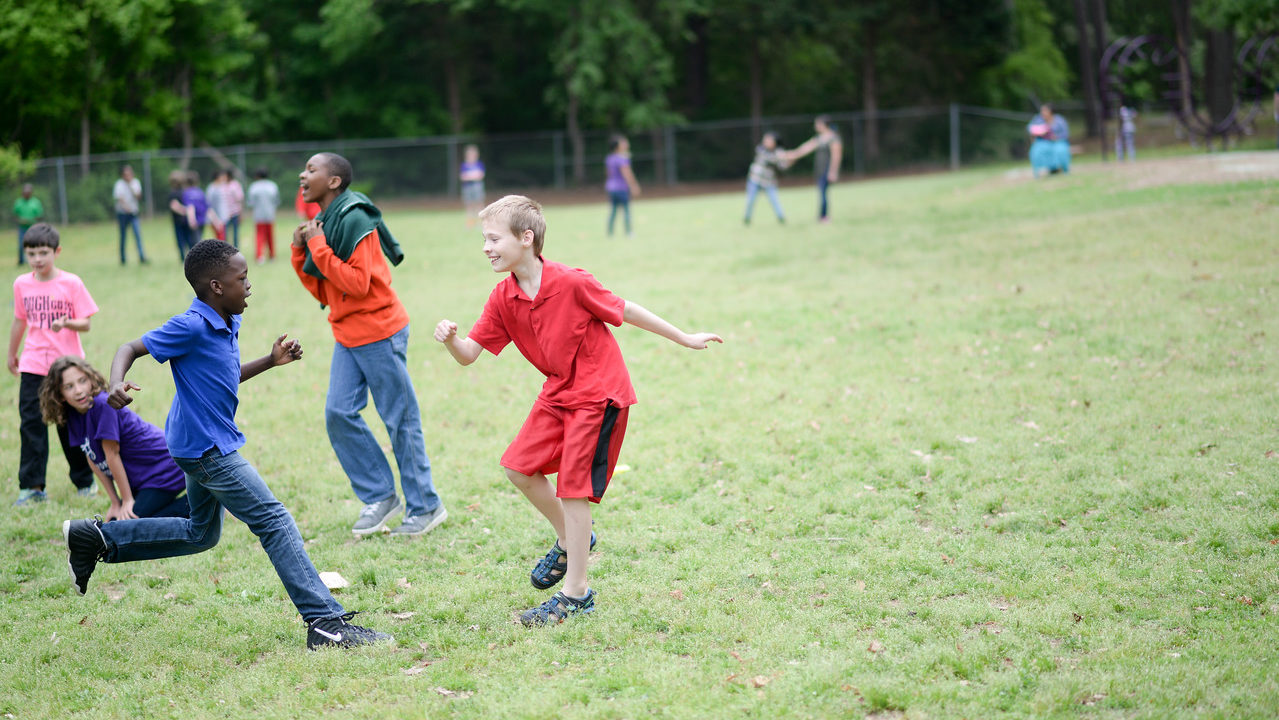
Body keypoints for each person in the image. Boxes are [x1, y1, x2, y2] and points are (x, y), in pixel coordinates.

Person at [62, 239, 391, 651]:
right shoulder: (191, 325)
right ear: (216, 286)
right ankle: (324, 623)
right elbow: (128, 348)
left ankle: (98, 539)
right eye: (242, 278)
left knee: (201, 534)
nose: (249, 285)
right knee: (274, 521)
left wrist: (270, 361)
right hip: (206, 450)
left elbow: (221, 375)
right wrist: (114, 384)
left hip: (196, 442)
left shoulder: (226, 319)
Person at [433, 195, 722, 626]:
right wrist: (451, 339)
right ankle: (574, 539)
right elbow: (470, 354)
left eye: (493, 238)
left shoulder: (571, 282)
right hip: (558, 392)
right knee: (518, 468)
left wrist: (684, 337)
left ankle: (576, 592)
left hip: (597, 392)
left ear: (525, 238)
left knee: (573, 488)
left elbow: (625, 309)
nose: (486, 247)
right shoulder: (503, 297)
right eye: (484, 239)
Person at [292, 152, 446, 537]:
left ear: (334, 182)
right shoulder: (323, 223)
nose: (302, 174)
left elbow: (359, 284)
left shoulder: (356, 218)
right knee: (338, 413)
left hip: (380, 331)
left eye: (312, 169)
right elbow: (323, 288)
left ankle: (426, 506)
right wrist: (302, 249)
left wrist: (319, 247)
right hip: (347, 333)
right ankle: (380, 495)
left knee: (399, 419)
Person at [8, 223, 97, 505]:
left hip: (65, 367)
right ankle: (32, 487)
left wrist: (67, 322)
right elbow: (20, 320)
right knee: (31, 423)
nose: (37, 259)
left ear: (56, 252)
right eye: (31, 253)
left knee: (69, 423)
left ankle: (85, 480)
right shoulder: (21, 284)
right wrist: (12, 353)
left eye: (43, 252)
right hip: (33, 363)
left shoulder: (71, 283)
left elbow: (86, 323)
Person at [40, 356, 189, 520]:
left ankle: (204, 503)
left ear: (91, 379)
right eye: (69, 386)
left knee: (132, 521)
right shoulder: (73, 415)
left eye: (82, 381)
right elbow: (91, 456)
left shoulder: (104, 404)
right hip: (142, 478)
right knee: (115, 522)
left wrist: (126, 500)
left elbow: (112, 454)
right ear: (60, 394)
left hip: (165, 467)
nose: (78, 390)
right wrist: (115, 502)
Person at [785, 115, 842, 223]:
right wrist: (791, 155)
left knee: (823, 193)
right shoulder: (819, 138)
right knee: (822, 193)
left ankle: (824, 217)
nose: (815, 126)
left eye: (817, 124)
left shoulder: (833, 138)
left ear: (824, 125)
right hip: (819, 170)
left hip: (827, 170)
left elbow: (836, 156)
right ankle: (822, 216)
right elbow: (805, 149)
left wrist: (833, 172)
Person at [743, 131, 789, 225]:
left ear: (775, 142)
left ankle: (781, 218)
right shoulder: (761, 149)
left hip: (769, 181)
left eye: (768, 140)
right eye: (765, 139)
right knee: (750, 200)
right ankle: (747, 218)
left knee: (774, 200)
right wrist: (785, 156)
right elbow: (770, 158)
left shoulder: (779, 152)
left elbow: (783, 166)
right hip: (755, 179)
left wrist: (788, 159)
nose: (765, 141)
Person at [605, 135, 640, 237]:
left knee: (613, 210)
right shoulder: (623, 159)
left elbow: (608, 173)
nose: (626, 144)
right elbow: (627, 174)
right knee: (626, 210)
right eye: (623, 143)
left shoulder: (609, 158)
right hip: (621, 187)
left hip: (611, 187)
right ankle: (629, 232)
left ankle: (610, 233)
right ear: (617, 146)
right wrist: (633, 185)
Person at [113, 165, 148, 265]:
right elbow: (120, 199)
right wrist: (126, 208)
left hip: (133, 213)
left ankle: (142, 257)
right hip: (122, 214)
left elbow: (138, 196)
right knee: (123, 236)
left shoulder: (135, 182)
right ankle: (123, 259)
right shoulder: (119, 184)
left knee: (137, 234)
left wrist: (131, 187)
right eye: (125, 174)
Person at [1027, 103, 1071, 177]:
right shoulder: (1038, 120)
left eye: (1044, 111)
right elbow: (1030, 128)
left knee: (1060, 150)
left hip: (1058, 142)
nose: (1042, 113)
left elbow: (1066, 134)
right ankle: (1038, 173)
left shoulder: (1059, 120)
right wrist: (1039, 131)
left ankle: (1063, 169)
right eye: (1042, 111)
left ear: (1050, 111)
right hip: (1043, 142)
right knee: (1037, 151)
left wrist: (1056, 137)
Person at [247, 168, 281, 263]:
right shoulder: (273, 186)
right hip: (270, 215)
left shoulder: (254, 187)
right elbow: (276, 201)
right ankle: (272, 256)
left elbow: (250, 202)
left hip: (259, 216)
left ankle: (259, 256)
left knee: (259, 236)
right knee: (270, 236)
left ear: (257, 176)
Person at [208, 169, 244, 248]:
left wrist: (240, 213)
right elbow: (210, 205)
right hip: (220, 217)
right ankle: (225, 250)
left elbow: (239, 199)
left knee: (234, 233)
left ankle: (234, 249)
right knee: (223, 236)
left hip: (233, 213)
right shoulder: (216, 187)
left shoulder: (234, 185)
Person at [182, 171, 218, 243]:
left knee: (195, 242)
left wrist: (192, 220)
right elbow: (207, 208)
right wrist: (216, 220)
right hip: (202, 220)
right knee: (198, 239)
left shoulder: (187, 193)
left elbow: (190, 207)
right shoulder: (200, 192)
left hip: (194, 221)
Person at [13, 184, 43, 265]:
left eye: (28, 192)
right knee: (21, 245)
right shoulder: (18, 202)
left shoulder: (36, 202)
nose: (26, 194)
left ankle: (33, 260)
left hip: (33, 228)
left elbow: (39, 216)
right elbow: (15, 215)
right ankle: (21, 261)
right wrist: (20, 221)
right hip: (22, 228)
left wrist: (32, 220)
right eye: (25, 192)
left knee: (34, 245)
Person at [166, 170, 191, 261]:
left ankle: (184, 257)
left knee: (182, 240)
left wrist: (184, 211)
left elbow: (174, 206)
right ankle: (185, 257)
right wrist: (185, 211)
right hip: (183, 220)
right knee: (186, 240)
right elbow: (174, 206)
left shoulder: (176, 193)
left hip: (180, 221)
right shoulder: (183, 192)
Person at [459, 144, 486, 227]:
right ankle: (470, 223)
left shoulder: (479, 164)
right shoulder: (464, 165)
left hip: (477, 187)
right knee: (469, 205)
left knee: (479, 204)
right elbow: (463, 177)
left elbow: (481, 176)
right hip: (467, 187)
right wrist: (473, 176)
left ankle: (480, 223)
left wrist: (469, 176)